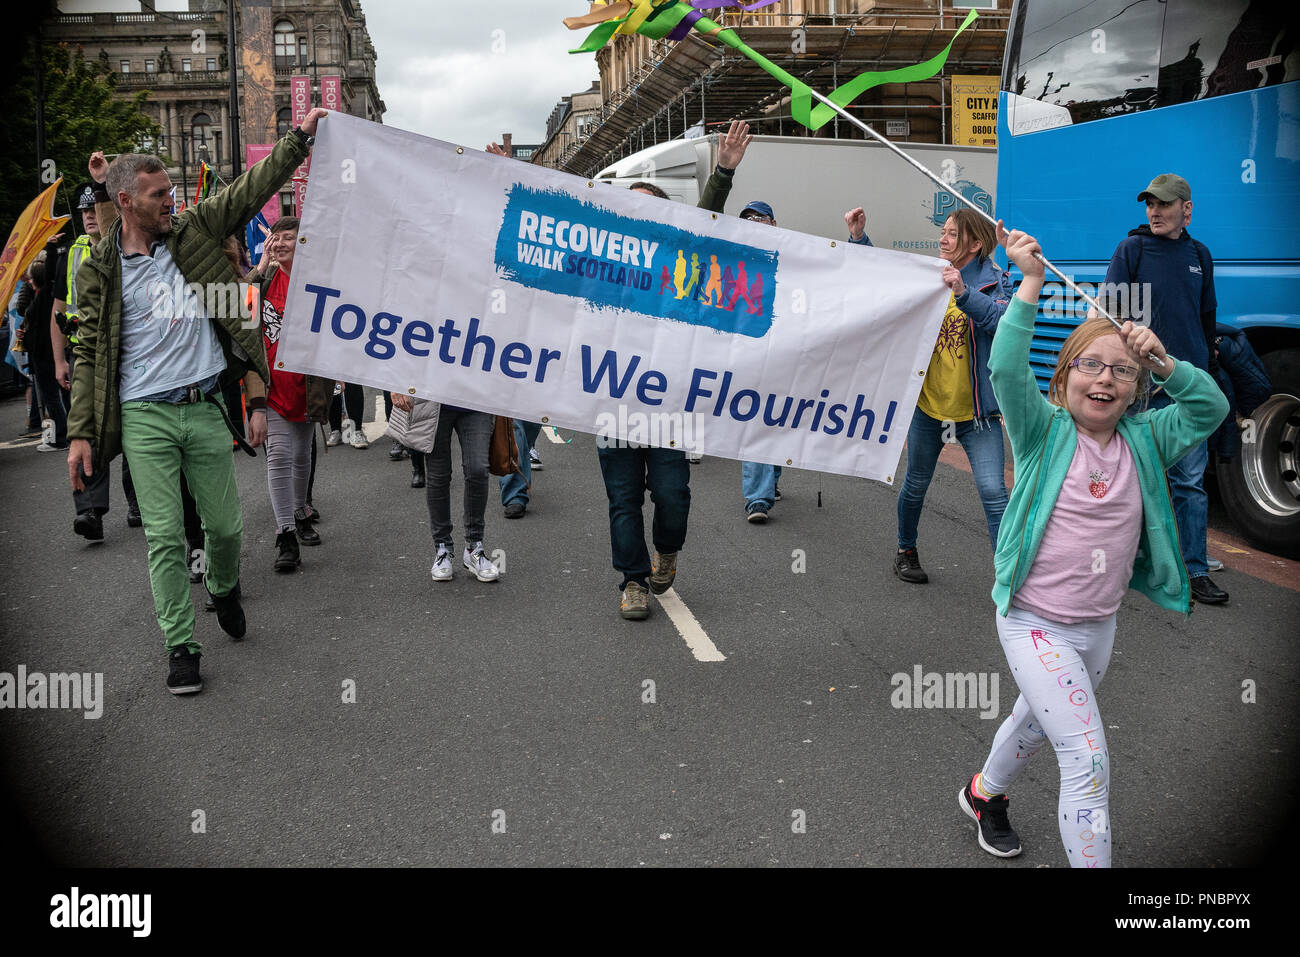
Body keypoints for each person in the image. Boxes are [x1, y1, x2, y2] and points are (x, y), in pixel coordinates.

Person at [959, 224, 1228, 867]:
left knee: (1032, 721)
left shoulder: (1145, 438)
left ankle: (983, 794)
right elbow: (1002, 365)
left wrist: (1166, 361)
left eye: (1123, 372)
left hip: (1097, 628)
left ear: (1137, 388)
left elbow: (1210, 408)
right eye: (1090, 366)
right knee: (1085, 757)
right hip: (1031, 622)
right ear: (1065, 375)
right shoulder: (1040, 430)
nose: (1105, 380)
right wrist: (1028, 282)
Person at [65, 108, 326, 695]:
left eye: (172, 193)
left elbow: (249, 188)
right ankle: (181, 646)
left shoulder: (195, 234)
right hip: (144, 417)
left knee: (226, 530)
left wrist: (299, 139)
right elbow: (88, 355)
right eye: (159, 195)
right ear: (127, 203)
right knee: (163, 536)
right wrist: (80, 432)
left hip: (205, 407)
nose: (170, 202)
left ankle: (226, 587)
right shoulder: (100, 269)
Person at [598, 120, 752, 619]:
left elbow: (707, 220)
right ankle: (633, 581)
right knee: (623, 501)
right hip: (615, 406)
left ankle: (667, 551)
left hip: (668, 406)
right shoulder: (601, 263)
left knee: (672, 497)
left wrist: (724, 171)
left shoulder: (680, 260)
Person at [856, 207, 1012, 584]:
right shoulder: (928, 274)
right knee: (916, 483)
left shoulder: (997, 281)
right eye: (942, 232)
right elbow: (880, 281)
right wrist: (859, 239)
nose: (942, 239)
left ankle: (1010, 574)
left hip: (978, 414)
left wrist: (963, 292)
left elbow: (1003, 324)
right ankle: (905, 549)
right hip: (928, 409)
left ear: (975, 243)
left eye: (952, 234)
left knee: (994, 492)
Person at [1103, 174, 1227, 605]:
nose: (1154, 212)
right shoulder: (1132, 249)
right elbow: (1112, 315)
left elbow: (1206, 317)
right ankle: (1122, 562)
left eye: (1164, 205)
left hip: (1185, 384)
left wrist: (1208, 370)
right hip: (1141, 388)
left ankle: (1194, 571)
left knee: (1190, 483)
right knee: (1133, 476)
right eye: (1149, 205)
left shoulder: (1200, 255)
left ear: (1186, 210)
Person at [52, 182, 142, 537]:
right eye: (84, 210)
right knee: (88, 426)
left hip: (125, 352)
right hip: (85, 353)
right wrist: (60, 360)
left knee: (133, 426)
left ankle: (138, 501)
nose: (89, 215)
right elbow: (58, 311)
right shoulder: (71, 254)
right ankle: (90, 510)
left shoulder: (126, 247)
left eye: (95, 209)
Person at [245, 215, 332, 572]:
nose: (279, 244)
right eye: (275, 239)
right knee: (279, 455)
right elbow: (239, 307)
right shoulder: (264, 282)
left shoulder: (319, 283)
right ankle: (285, 535)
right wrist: (262, 264)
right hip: (273, 387)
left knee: (301, 454)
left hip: (308, 387)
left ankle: (300, 510)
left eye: (288, 238)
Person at [389, 393, 500, 583]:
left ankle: (474, 546)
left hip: (477, 400)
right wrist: (397, 385)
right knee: (438, 475)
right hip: (434, 401)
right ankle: (443, 549)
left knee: (478, 470)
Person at [735, 200, 782, 523]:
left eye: (759, 218)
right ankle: (758, 498)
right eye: (747, 218)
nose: (752, 222)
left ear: (773, 223)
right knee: (756, 421)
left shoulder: (792, 257)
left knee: (778, 421)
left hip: (785, 353)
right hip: (749, 353)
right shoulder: (736, 259)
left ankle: (772, 479)